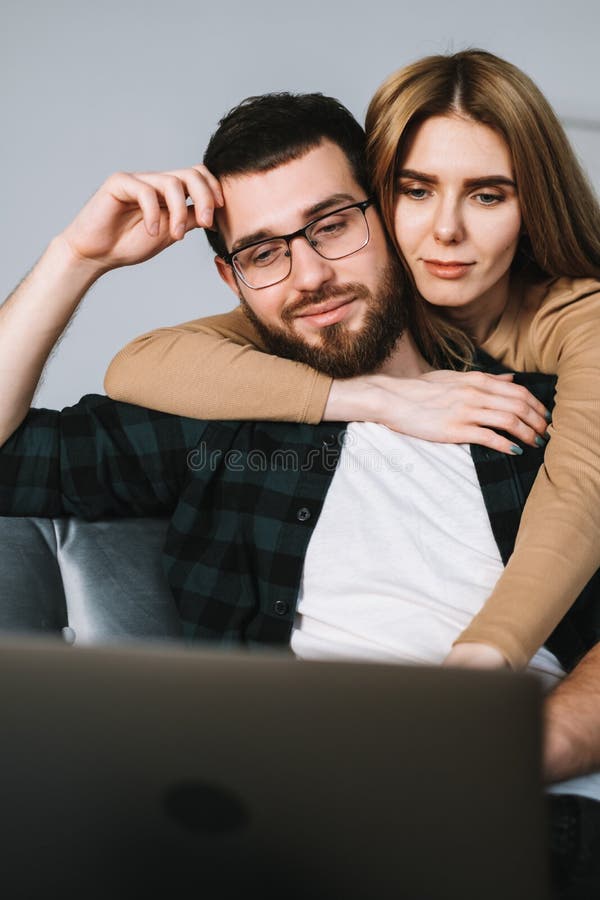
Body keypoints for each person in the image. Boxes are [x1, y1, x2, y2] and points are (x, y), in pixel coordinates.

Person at [1, 91, 599, 898]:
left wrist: (522, 745)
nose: (310, 275)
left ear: (387, 215)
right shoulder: (220, 432)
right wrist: (76, 255)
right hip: (298, 835)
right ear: (231, 276)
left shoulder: (540, 410)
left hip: (541, 824)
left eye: (332, 225)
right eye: (263, 252)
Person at [104, 50, 600, 674]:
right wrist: (380, 399)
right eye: (416, 190)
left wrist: (482, 665)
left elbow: (579, 496)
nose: (446, 230)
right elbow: (143, 361)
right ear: (379, 199)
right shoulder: (367, 302)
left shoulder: (582, 319)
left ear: (533, 206)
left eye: (487, 195)